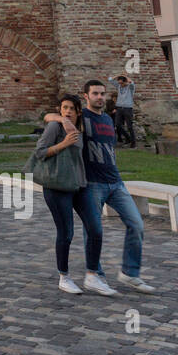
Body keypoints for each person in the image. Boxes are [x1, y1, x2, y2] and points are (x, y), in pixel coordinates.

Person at [68, 80, 154, 294]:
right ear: (86, 96)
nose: (100, 97)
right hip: (92, 184)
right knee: (93, 230)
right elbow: (51, 118)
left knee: (136, 224)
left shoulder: (107, 118)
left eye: (102, 94)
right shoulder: (81, 118)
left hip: (115, 182)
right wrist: (59, 118)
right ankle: (94, 275)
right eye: (95, 93)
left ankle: (130, 273)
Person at [35, 94, 102, 295]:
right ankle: (64, 277)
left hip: (80, 185)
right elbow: (40, 153)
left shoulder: (81, 128)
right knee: (66, 233)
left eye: (72, 108)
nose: (68, 111)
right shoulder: (55, 127)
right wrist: (64, 143)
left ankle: (92, 276)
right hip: (57, 187)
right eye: (64, 108)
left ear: (78, 111)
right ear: (60, 109)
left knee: (95, 229)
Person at [108, 75, 136, 147]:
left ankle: (133, 143)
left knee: (129, 126)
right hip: (119, 108)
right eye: (119, 83)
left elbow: (131, 82)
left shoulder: (130, 88)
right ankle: (128, 138)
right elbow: (110, 79)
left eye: (122, 83)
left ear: (125, 82)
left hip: (128, 108)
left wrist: (125, 76)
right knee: (117, 125)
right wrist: (119, 75)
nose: (120, 85)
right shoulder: (119, 86)